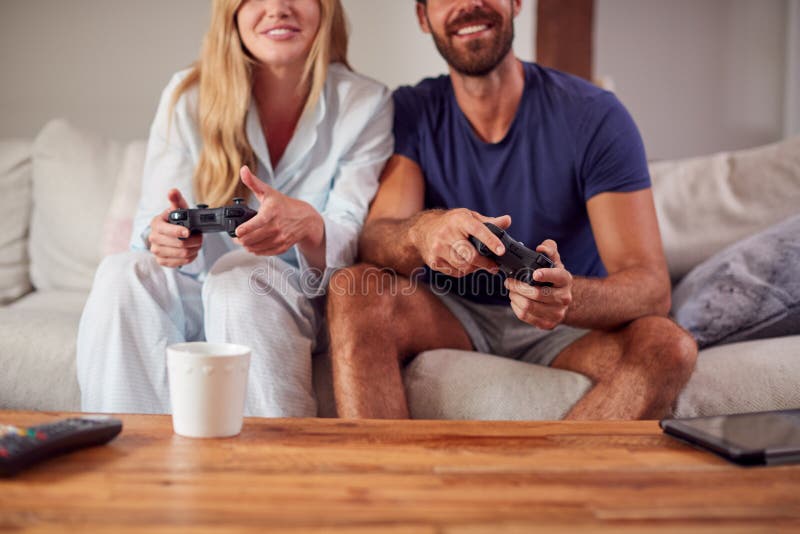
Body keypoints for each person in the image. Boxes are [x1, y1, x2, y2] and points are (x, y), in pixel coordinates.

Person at [326, 0, 698, 420]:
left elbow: (651, 287)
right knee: (353, 290)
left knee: (669, 347)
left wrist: (566, 297)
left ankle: (553, 464)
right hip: (450, 313)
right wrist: (424, 231)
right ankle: (380, 466)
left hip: (569, 325)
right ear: (422, 17)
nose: (468, 4)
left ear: (517, 3)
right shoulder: (412, 110)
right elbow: (375, 237)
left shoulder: (594, 115)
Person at [77, 0, 393, 416]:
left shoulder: (366, 103)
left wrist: (309, 225)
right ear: (232, 12)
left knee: (240, 278)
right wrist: (165, 238)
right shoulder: (187, 95)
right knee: (122, 273)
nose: (277, 8)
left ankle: (269, 454)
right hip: (197, 287)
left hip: (292, 294)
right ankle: (126, 448)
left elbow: (351, 233)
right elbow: (150, 229)